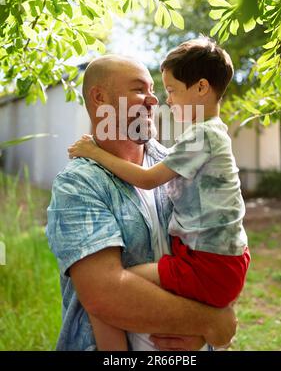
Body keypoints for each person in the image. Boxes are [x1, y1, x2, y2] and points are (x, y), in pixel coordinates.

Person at [68, 38, 250, 351]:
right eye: (141, 90)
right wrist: (209, 322)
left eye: (166, 90)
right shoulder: (79, 184)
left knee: (131, 277)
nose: (158, 101)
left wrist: (210, 325)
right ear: (99, 98)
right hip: (216, 264)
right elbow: (103, 296)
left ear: (201, 88)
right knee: (112, 289)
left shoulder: (186, 148)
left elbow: (150, 180)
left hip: (207, 269)